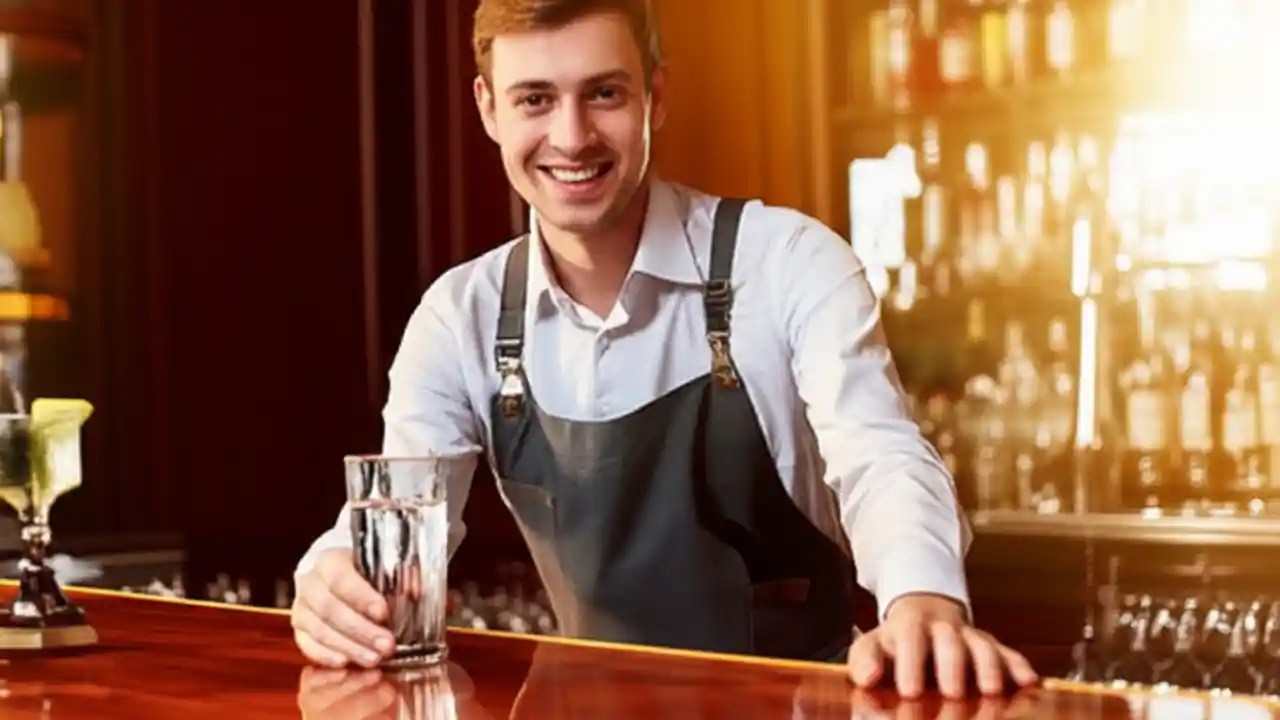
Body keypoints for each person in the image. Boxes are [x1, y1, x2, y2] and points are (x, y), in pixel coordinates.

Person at [290, 0, 1040, 699]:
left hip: (797, 708)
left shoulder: (787, 263)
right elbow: (397, 508)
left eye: (605, 94)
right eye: (535, 99)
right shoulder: (461, 317)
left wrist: (923, 602)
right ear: (488, 107)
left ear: (657, 96)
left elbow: (881, 455)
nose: (572, 136)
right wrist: (333, 580)